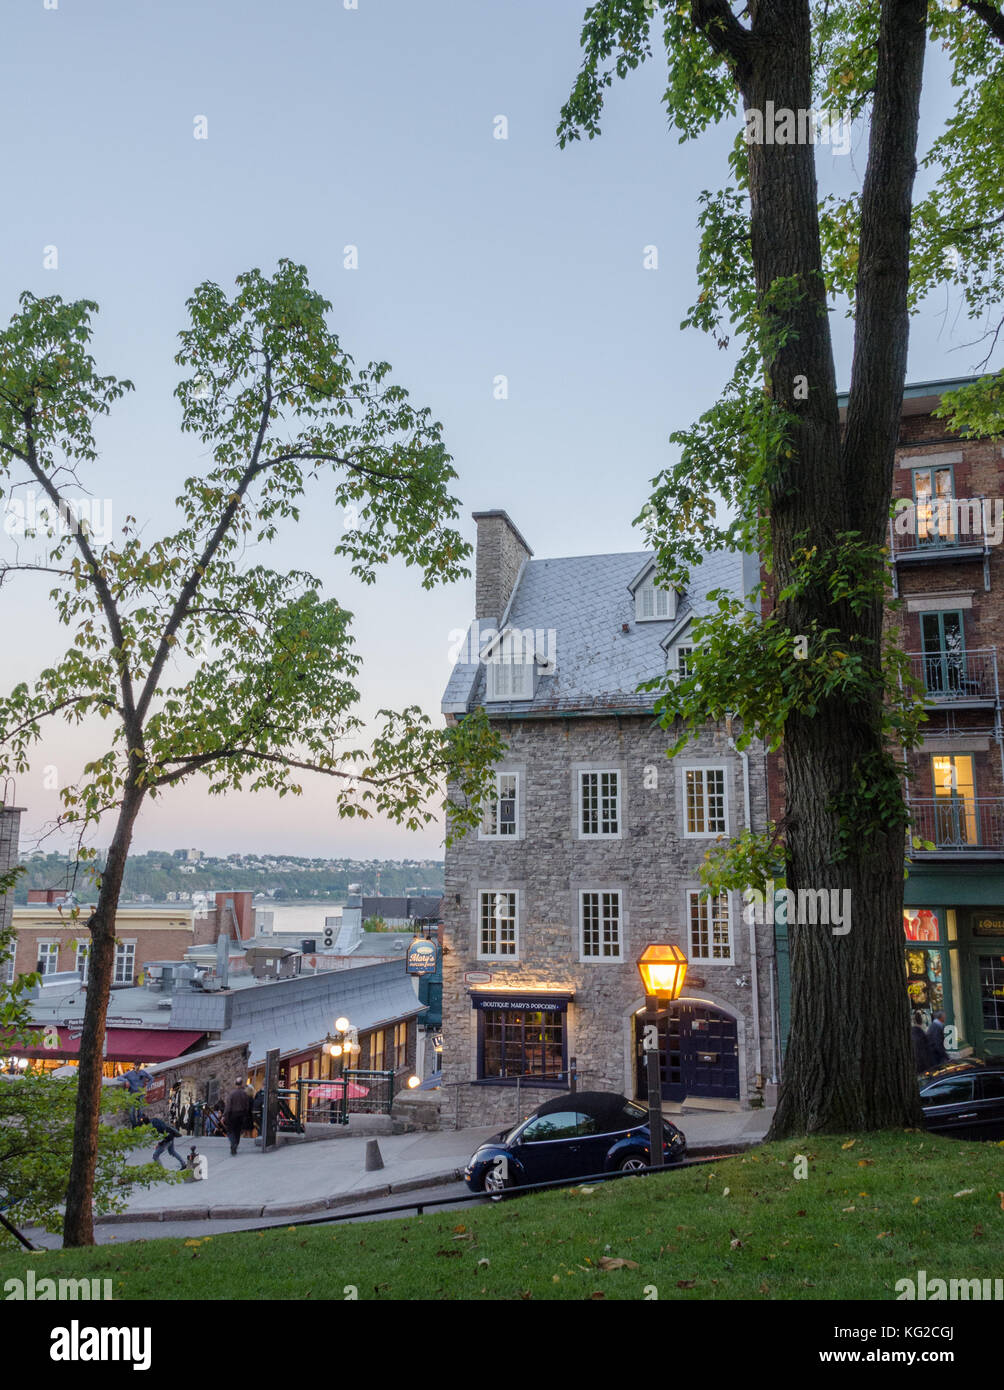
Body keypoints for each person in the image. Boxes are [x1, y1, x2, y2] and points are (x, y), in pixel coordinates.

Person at [223, 1078, 253, 1155]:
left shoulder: (232, 1094)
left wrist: (225, 1115)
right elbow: (247, 1106)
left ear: (235, 1084)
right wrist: (245, 1115)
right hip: (241, 1115)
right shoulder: (244, 1094)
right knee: (237, 1131)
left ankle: (233, 1143)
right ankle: (236, 1143)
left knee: (230, 1131)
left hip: (232, 1115)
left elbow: (228, 1106)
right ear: (241, 1084)